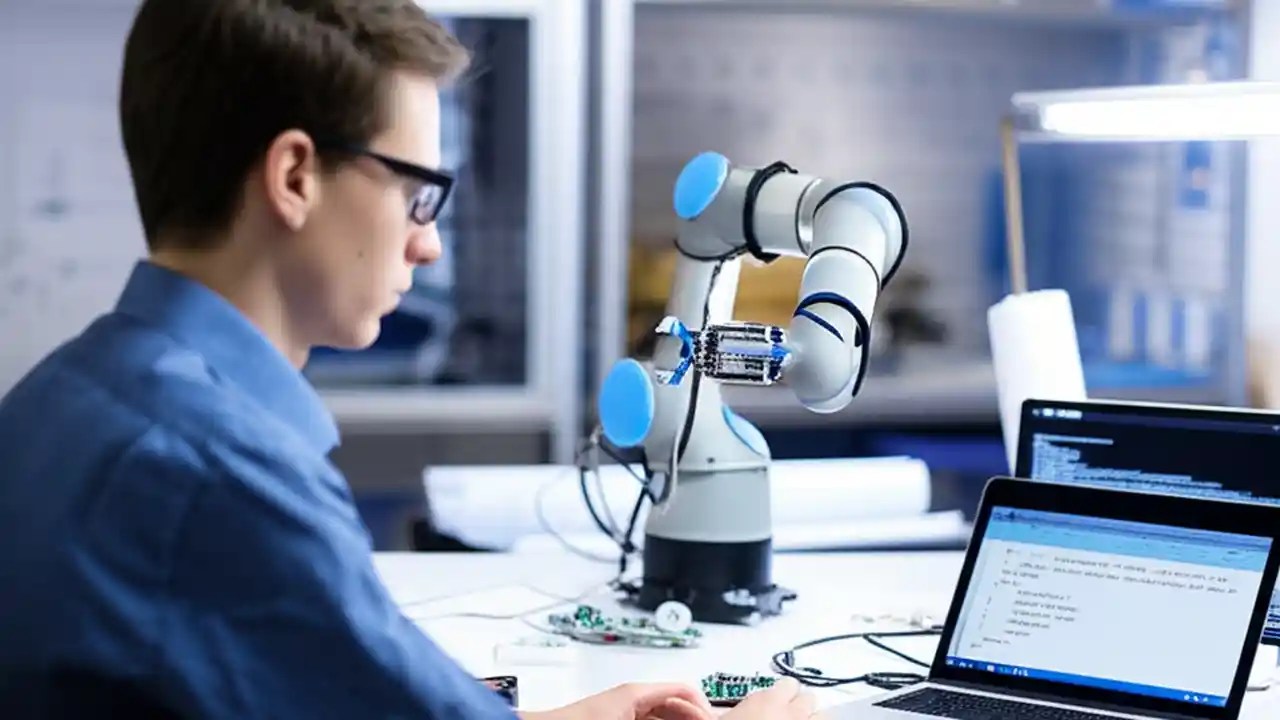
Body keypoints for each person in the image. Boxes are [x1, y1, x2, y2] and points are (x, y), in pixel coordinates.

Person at [0, 1, 819, 718]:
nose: (427, 245)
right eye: (417, 192)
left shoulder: (61, 397)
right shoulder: (218, 472)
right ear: (294, 176)